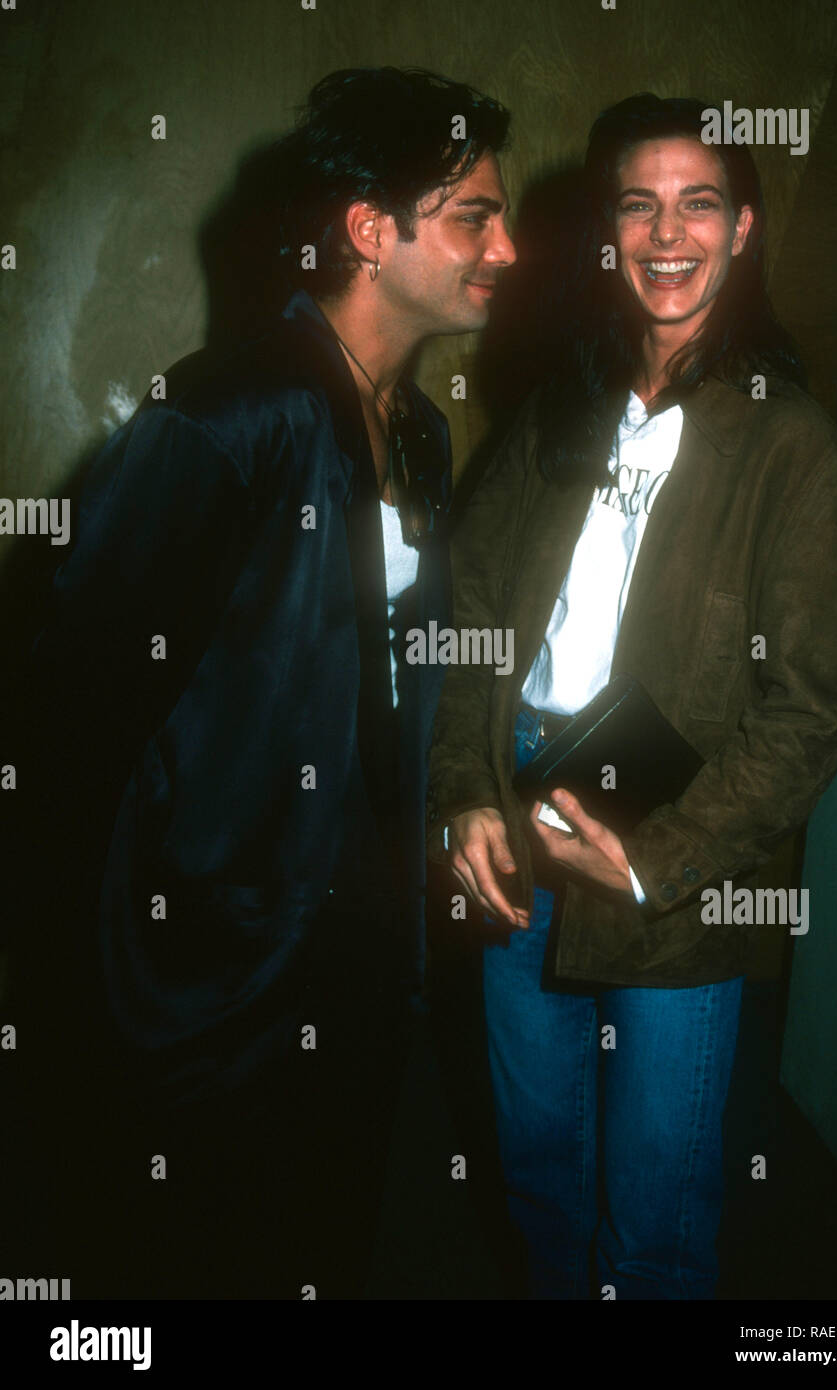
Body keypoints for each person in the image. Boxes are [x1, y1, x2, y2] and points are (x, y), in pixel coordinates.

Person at [11, 66, 515, 1299]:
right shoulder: (228, 414)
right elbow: (69, 702)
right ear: (367, 229)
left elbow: (385, 675)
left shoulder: (418, 430)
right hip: (213, 964)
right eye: (470, 215)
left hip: (355, 943)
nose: (507, 247)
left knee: (323, 1230)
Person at [427, 93, 837, 1300]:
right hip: (520, 802)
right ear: (606, 235)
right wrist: (465, 789)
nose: (666, 232)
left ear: (741, 231)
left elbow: (811, 704)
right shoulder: (553, 413)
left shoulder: (789, 444)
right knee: (537, 1173)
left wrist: (654, 857)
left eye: (698, 202)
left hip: (675, 850)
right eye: (638, 204)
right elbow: (469, 614)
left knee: (655, 1218)